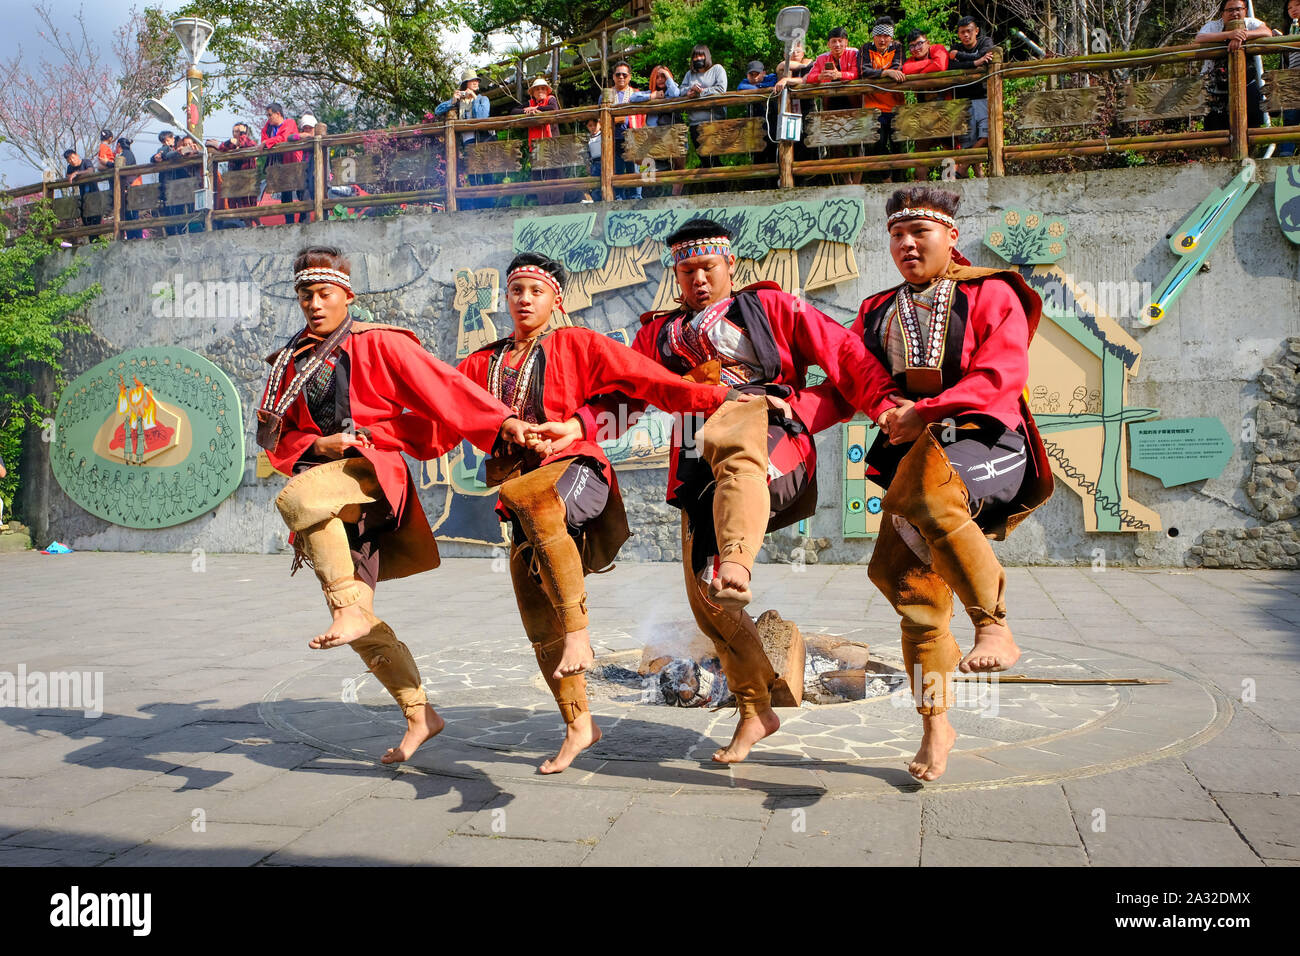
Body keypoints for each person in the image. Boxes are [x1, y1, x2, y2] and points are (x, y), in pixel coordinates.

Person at [538, 219, 898, 764]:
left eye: (709, 267)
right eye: (688, 270)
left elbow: (845, 359)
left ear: (731, 266)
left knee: (736, 460)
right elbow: (626, 396)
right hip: (694, 462)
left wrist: (816, 408)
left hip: (768, 440)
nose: (700, 278)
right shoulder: (659, 335)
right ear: (676, 276)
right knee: (707, 603)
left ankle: (738, 559)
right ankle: (757, 707)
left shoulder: (775, 310)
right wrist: (578, 426)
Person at [384, 252, 735, 773]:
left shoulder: (579, 343)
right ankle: (578, 724)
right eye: (516, 291)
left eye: (535, 291)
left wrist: (724, 395)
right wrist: (374, 435)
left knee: (539, 501)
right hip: (519, 498)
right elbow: (439, 419)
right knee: (533, 613)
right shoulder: (482, 362)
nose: (524, 300)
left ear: (556, 299)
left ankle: (579, 631)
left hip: (578, 475)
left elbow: (647, 381)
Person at [794, 187, 1054, 782]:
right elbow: (847, 386)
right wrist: (785, 414)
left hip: (986, 443)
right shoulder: (877, 309)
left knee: (929, 494)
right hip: (915, 463)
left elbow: (1002, 372)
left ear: (952, 237)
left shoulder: (991, 293)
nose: (906, 245)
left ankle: (993, 623)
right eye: (896, 235)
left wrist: (928, 410)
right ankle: (937, 726)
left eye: (920, 234)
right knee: (910, 593)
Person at [259, 245, 530, 764]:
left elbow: (444, 387)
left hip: (370, 476)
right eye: (305, 295)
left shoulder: (379, 343)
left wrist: (501, 423)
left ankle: (347, 606)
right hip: (328, 496)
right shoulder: (287, 366)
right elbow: (277, 440)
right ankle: (419, 712)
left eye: (324, 293)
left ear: (346, 295)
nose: (315, 304)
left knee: (298, 498)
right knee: (358, 617)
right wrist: (320, 445)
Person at [1197, 0, 1272, 154]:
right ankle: (1227, 164)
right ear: (1222, 13)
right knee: (1219, 131)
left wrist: (1242, 35)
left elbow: (1266, 32)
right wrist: (1230, 34)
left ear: (1245, 10)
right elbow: (1199, 38)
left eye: (1238, 9)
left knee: (1251, 126)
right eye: (1229, 10)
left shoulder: (1249, 23)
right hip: (1215, 88)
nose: (1234, 13)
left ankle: (1246, 163)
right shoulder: (1213, 26)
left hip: (1246, 85)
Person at [804, 27, 863, 184]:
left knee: (858, 142)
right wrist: (821, 76)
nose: (837, 44)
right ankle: (847, 182)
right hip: (832, 105)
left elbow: (858, 73)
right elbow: (810, 77)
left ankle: (857, 182)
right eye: (833, 41)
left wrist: (839, 75)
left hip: (854, 105)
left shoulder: (855, 53)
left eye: (840, 41)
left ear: (846, 42)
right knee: (837, 144)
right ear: (828, 44)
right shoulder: (822, 58)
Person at [435, 69, 494, 209]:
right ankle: (478, 208)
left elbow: (482, 117)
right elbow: (437, 110)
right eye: (472, 80)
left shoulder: (482, 99)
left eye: (476, 80)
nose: (475, 82)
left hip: (485, 139)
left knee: (487, 174)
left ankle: (490, 207)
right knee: (473, 174)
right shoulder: (459, 101)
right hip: (469, 140)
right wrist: (453, 101)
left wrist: (474, 98)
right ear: (465, 84)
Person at [859, 18, 906, 181]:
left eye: (886, 35)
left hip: (896, 106)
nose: (882, 39)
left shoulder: (898, 48)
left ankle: (901, 183)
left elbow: (898, 68)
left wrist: (883, 72)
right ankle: (887, 179)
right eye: (879, 35)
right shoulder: (865, 49)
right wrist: (885, 73)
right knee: (876, 146)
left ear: (891, 37)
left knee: (899, 148)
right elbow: (863, 70)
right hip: (873, 107)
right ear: (873, 36)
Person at [950, 16, 995, 177]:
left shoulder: (985, 42)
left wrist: (961, 56)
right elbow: (951, 65)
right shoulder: (955, 46)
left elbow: (987, 56)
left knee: (987, 136)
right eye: (962, 32)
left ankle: (962, 168)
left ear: (976, 31)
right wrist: (976, 62)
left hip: (984, 97)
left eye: (969, 31)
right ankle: (979, 176)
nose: (966, 35)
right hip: (964, 100)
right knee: (968, 141)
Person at [512, 77, 561, 205]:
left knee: (554, 175)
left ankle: (557, 205)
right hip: (535, 145)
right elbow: (513, 111)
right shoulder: (530, 103)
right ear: (532, 92)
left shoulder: (551, 99)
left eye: (543, 88)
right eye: (537, 89)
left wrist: (535, 110)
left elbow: (552, 109)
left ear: (547, 91)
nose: (540, 91)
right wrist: (527, 109)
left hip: (551, 144)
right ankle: (543, 205)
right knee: (538, 176)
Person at [681, 46, 728, 170]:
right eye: (695, 56)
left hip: (714, 122)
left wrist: (701, 92)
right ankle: (713, 187)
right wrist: (689, 91)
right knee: (704, 159)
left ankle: (722, 186)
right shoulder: (689, 74)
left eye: (701, 55)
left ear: (707, 56)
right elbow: (680, 90)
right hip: (695, 123)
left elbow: (721, 89)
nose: (698, 58)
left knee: (714, 158)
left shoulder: (717, 69)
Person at [607, 61, 647, 200]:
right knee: (617, 170)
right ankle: (618, 198)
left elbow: (643, 115)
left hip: (633, 136)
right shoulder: (606, 94)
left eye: (624, 74)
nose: (621, 77)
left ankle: (636, 197)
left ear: (629, 77)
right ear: (613, 77)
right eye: (618, 74)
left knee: (634, 168)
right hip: (613, 137)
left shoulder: (636, 93)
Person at [261, 103, 306, 221]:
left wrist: (268, 142)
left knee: (301, 190)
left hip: (293, 161)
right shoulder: (269, 126)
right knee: (285, 193)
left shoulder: (289, 123)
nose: (268, 118)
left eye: (270, 115)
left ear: (278, 114)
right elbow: (263, 138)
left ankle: (303, 219)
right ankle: (289, 221)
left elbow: (283, 138)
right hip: (280, 164)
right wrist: (268, 142)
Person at [208, 122, 259, 226]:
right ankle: (248, 227)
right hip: (235, 180)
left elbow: (247, 144)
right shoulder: (231, 146)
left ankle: (259, 225)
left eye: (238, 132)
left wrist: (241, 136)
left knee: (250, 207)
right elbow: (222, 147)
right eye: (234, 131)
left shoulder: (250, 142)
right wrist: (231, 141)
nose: (236, 134)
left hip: (247, 179)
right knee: (239, 207)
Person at [738, 60, 778, 176]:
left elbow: (775, 81)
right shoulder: (744, 83)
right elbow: (741, 87)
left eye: (757, 74)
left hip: (772, 124)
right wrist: (762, 89)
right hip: (756, 127)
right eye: (751, 74)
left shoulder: (771, 78)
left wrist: (757, 87)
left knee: (772, 155)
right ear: (747, 75)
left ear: (764, 73)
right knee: (757, 158)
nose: (754, 77)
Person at [64, 148, 102, 228]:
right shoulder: (70, 167)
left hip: (94, 195)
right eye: (69, 160)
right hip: (83, 197)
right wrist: (71, 176)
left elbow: (90, 171)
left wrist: (77, 173)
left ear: (77, 155)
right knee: (86, 220)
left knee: (95, 220)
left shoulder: (86, 162)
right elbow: (67, 175)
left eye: (73, 158)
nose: (72, 161)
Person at [114, 136, 143, 239]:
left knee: (131, 215)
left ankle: (135, 237)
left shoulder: (125, 155)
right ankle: (134, 237)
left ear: (118, 145)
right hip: (131, 188)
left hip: (131, 188)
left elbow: (123, 172)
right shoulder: (129, 154)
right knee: (130, 215)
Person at [1282, 0, 1300, 157]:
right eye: (1289, 8)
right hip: (1292, 78)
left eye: (1297, 5)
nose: (1293, 10)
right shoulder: (1292, 28)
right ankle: (1285, 155)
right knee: (1290, 118)